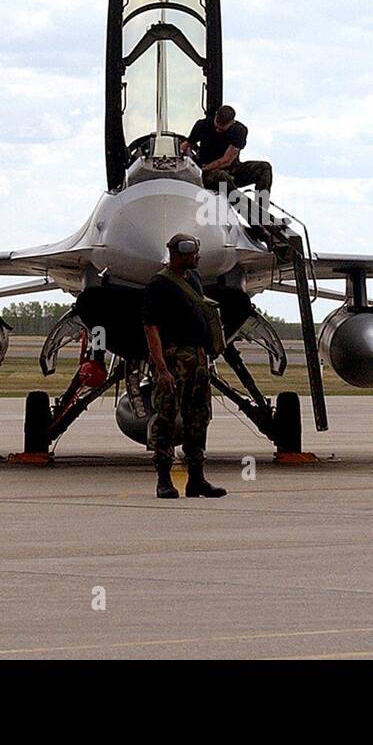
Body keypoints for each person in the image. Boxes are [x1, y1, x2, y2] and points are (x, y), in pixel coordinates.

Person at [142, 233, 226, 500]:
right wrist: (162, 369)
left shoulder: (195, 279)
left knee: (199, 419)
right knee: (166, 419)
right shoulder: (159, 285)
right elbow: (151, 328)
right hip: (174, 360)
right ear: (176, 254)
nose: (197, 256)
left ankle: (196, 480)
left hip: (198, 360)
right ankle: (164, 480)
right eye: (191, 252)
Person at [183, 104, 274, 223]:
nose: (217, 130)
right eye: (216, 126)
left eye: (221, 129)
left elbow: (227, 160)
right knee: (222, 177)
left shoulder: (239, 131)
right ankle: (250, 216)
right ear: (216, 116)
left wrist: (206, 167)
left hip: (229, 169)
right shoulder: (202, 125)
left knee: (264, 168)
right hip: (209, 175)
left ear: (232, 122)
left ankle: (262, 210)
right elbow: (186, 145)